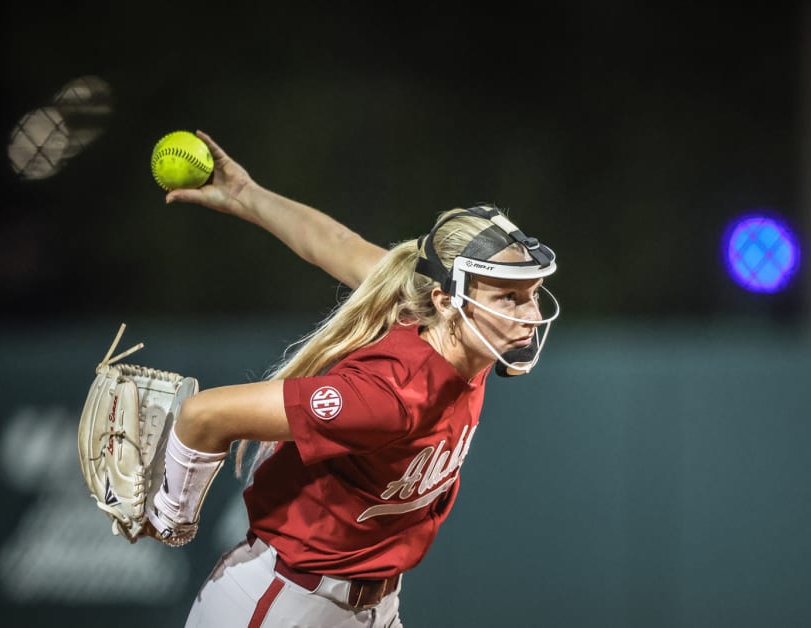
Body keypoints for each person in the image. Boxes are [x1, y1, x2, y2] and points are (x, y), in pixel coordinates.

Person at [144, 130, 560, 628]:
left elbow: (334, 244)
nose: (530, 313)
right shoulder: (387, 395)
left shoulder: (440, 319)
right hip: (282, 605)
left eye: (533, 292)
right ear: (448, 301)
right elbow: (205, 413)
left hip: (370, 608)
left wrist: (243, 194)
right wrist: (170, 516)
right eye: (509, 297)